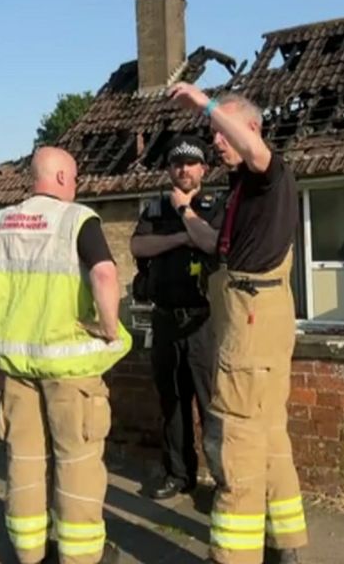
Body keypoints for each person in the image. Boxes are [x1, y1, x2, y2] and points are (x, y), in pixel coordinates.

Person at [0, 146, 132, 564]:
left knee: (25, 459)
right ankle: (81, 556)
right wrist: (108, 328)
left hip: (16, 367)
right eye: (75, 179)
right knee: (77, 461)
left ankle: (30, 552)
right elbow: (105, 274)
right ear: (64, 178)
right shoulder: (76, 220)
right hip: (70, 369)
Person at [168, 83, 307, 564]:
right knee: (269, 435)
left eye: (220, 133)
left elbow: (252, 147)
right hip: (259, 315)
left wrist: (203, 102)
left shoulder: (270, 172)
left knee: (235, 442)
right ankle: (285, 546)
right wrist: (185, 211)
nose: (215, 143)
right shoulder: (245, 188)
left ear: (250, 128)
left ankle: (232, 555)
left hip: (248, 322)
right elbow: (216, 245)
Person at [129, 135, 222, 500]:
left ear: (203, 169)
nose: (183, 169)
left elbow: (213, 241)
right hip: (165, 318)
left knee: (211, 404)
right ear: (169, 169)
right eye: (177, 163)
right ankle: (179, 475)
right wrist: (183, 239)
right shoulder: (155, 210)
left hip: (203, 320)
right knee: (173, 403)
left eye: (191, 163)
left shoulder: (216, 205)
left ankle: (223, 482)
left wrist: (188, 217)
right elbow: (138, 246)